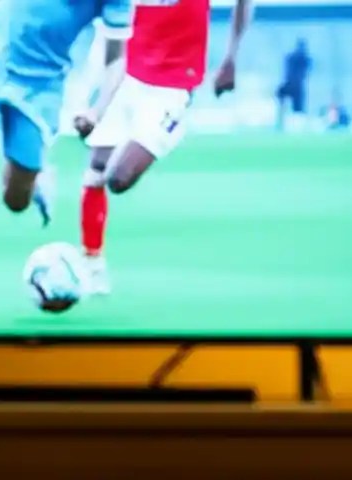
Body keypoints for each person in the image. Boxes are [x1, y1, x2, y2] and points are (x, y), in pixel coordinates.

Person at [0, 0, 134, 332]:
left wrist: (96, 111)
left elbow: (116, 58)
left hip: (40, 88)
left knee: (15, 200)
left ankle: (39, 173)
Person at [73, 0, 254, 296]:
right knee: (96, 169)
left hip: (172, 83)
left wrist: (232, 57)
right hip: (122, 68)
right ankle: (92, 262)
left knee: (119, 179)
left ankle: (159, 132)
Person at [275, 38, 311, 131]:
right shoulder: (298, 58)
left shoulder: (303, 59)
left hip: (296, 85)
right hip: (292, 84)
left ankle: (296, 126)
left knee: (298, 109)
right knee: (284, 102)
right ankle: (281, 123)